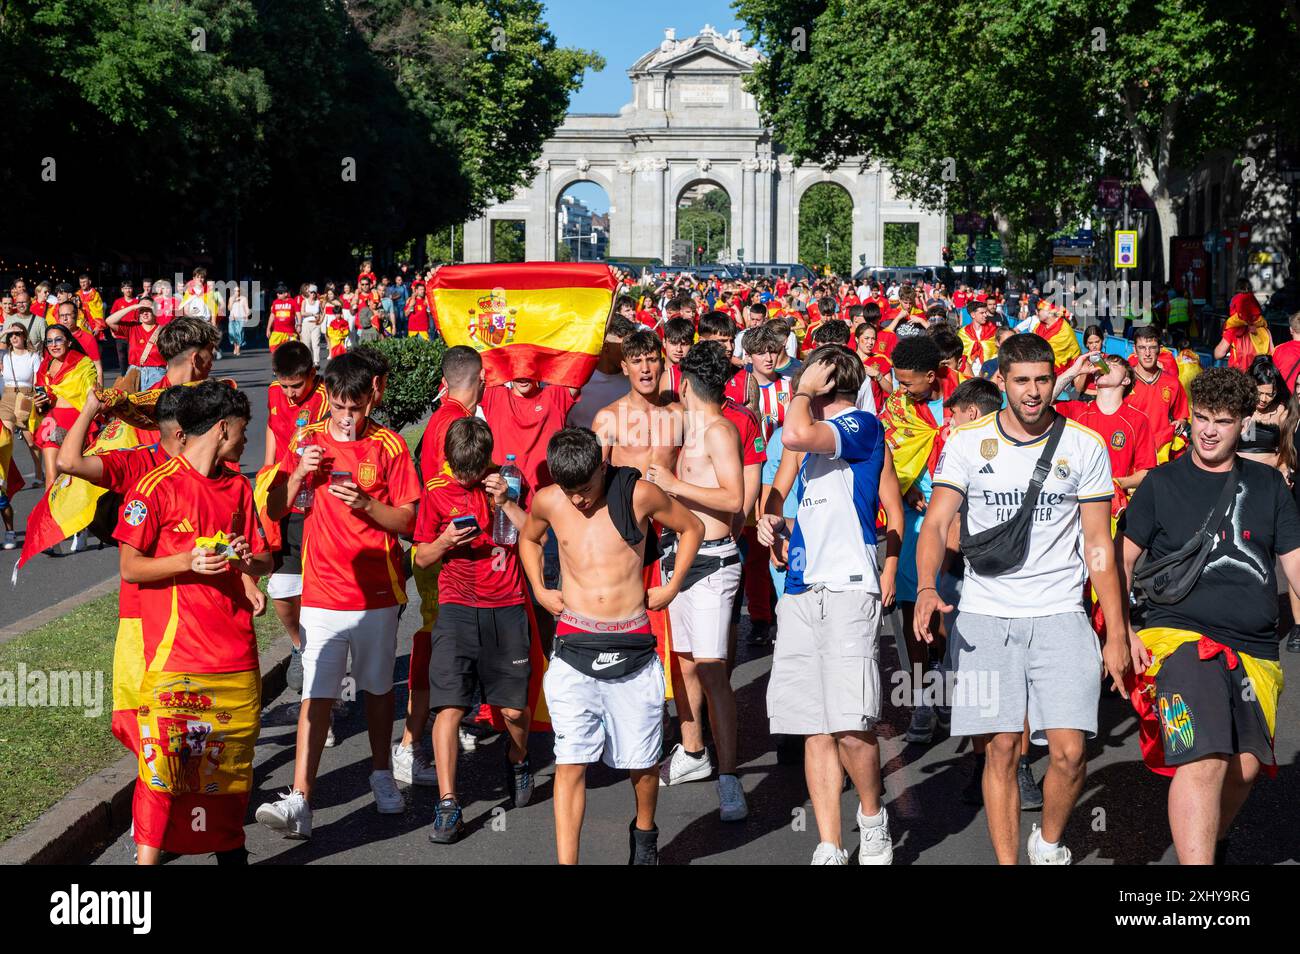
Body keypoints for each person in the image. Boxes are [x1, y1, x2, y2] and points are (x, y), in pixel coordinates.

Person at [915, 333, 1130, 865]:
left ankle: (1049, 842)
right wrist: (924, 587)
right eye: (1022, 381)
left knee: (1071, 752)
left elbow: (1098, 544)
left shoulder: (1084, 444)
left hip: (1061, 612)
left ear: (1053, 378)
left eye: (1041, 380)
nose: (1033, 392)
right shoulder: (968, 441)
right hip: (986, 615)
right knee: (1003, 749)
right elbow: (937, 521)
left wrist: (1118, 630)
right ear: (1004, 382)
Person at [1121, 367, 1300, 864]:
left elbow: (1295, 565)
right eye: (1200, 417)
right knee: (1205, 757)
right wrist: (1122, 630)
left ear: (1242, 423)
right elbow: (1120, 560)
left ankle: (1211, 844)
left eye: (1221, 421)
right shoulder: (1161, 482)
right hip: (1175, 636)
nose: (1207, 430)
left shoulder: (1268, 485)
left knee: (1243, 768)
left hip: (1255, 646)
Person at [519, 427, 704, 864]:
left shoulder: (638, 494)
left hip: (633, 643)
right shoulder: (549, 500)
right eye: (570, 492)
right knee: (570, 761)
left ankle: (644, 834)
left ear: (602, 467)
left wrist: (673, 586)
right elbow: (528, 538)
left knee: (641, 763)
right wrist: (541, 590)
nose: (578, 501)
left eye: (584, 490)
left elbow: (692, 527)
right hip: (574, 644)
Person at [257, 352, 422, 836]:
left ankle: (381, 774)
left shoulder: (389, 445)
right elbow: (274, 506)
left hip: (377, 592)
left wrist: (369, 505)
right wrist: (295, 475)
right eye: (339, 407)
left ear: (371, 398)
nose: (347, 418)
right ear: (325, 396)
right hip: (323, 591)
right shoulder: (306, 439)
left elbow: (410, 522)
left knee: (375, 691)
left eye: (356, 408)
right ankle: (300, 799)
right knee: (317, 693)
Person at [757, 344, 903, 864]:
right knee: (814, 726)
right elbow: (774, 490)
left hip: (847, 589)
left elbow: (797, 432)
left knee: (851, 726)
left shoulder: (862, 425)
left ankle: (872, 816)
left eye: (806, 378)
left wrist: (799, 390)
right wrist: (768, 520)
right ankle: (830, 843)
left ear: (821, 386)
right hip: (800, 592)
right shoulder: (800, 437)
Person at [115, 380, 271, 864]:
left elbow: (264, 560)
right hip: (175, 662)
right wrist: (187, 560)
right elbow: (130, 566)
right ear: (222, 428)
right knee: (162, 773)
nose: (247, 440)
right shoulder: (154, 486)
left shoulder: (238, 486)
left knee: (229, 776)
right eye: (243, 430)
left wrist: (247, 564)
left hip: (236, 660)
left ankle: (231, 854)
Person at [414, 417, 532, 843]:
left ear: (486, 461)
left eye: (472, 471)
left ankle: (518, 758)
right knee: (448, 707)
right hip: (457, 608)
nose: (463, 478)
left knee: (514, 712)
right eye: (457, 470)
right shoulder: (436, 491)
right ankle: (448, 803)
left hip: (508, 607)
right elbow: (422, 559)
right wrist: (445, 541)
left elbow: (535, 535)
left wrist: (508, 504)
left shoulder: (511, 483)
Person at [643, 343, 748, 821]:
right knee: (684, 664)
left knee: (711, 671)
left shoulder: (721, 431)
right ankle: (693, 752)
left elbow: (733, 498)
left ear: (685, 383)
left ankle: (730, 778)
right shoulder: (691, 429)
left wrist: (672, 484)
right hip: (681, 558)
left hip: (712, 564)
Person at [59, 386, 192, 751]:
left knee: (189, 708)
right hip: (143, 609)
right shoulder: (138, 461)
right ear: (181, 429)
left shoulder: (213, 467)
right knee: (138, 713)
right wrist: (88, 410)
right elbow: (69, 463)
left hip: (196, 607)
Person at [262, 341, 330, 705]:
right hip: (283, 494)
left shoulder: (325, 397)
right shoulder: (275, 392)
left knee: (318, 587)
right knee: (282, 588)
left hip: (317, 500)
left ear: (312, 375)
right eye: (285, 385)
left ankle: (326, 666)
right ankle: (299, 644)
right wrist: (269, 468)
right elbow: (273, 428)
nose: (289, 393)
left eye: (296, 386)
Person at [591, 329, 681, 476]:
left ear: (663, 364)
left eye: (652, 360)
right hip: (627, 498)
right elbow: (594, 476)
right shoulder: (607, 418)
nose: (645, 369)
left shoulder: (679, 413)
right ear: (625, 368)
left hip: (669, 498)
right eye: (636, 361)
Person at [417, 345, 485, 479]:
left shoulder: (444, 414)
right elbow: (455, 480)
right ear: (482, 375)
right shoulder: (457, 422)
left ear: (445, 382)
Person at [1127, 326, 1190, 463]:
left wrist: (1180, 423)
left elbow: (1182, 416)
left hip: (1161, 455)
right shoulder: (1123, 380)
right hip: (1130, 452)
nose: (1147, 353)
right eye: (1142, 347)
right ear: (1135, 350)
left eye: (1152, 347)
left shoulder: (1173, 383)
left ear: (1159, 349)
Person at [1, 323, 42, 493]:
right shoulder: (5, 355)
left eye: (18, 333)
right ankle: (4, 478)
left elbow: (37, 381)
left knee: (31, 442)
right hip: (8, 396)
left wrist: (37, 402)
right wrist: (5, 331)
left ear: (25, 336)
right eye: (12, 335)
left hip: (26, 397)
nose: (14, 337)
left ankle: (39, 475)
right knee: (5, 438)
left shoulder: (33, 356)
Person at [106, 296, 167, 390]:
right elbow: (109, 321)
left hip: (157, 374)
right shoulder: (132, 328)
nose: (145, 313)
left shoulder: (165, 331)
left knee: (154, 404)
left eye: (149, 310)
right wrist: (133, 307)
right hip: (134, 374)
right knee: (130, 404)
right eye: (142, 310)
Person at [1215, 279, 1272, 371]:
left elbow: (1219, 354)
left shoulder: (1234, 330)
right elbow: (1271, 352)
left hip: (1240, 376)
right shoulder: (1264, 330)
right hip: (1259, 376)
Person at [957, 297, 998, 376]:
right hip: (967, 373)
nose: (985, 315)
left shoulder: (993, 330)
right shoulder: (963, 333)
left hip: (988, 373)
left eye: (986, 312)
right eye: (982, 313)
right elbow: (960, 354)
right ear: (973, 315)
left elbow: (996, 352)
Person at [108, 279, 139, 374]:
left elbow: (139, 319)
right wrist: (112, 331)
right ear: (122, 290)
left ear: (132, 289)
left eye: (129, 288)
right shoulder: (118, 302)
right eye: (125, 288)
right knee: (121, 358)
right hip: (120, 334)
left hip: (133, 334)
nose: (128, 290)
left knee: (132, 357)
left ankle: (132, 377)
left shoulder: (136, 302)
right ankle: (123, 376)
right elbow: (111, 318)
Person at [267, 283, 299, 352]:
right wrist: (268, 328)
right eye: (277, 293)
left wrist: (299, 325)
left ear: (286, 294)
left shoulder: (293, 302)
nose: (278, 294)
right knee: (273, 347)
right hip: (277, 331)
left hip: (289, 332)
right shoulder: (275, 302)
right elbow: (272, 315)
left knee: (292, 349)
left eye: (280, 293)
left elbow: (298, 314)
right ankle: (278, 361)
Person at [226, 286, 249, 357]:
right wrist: (232, 301)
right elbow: (229, 308)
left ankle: (238, 348)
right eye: (235, 291)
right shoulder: (231, 298)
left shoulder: (244, 298)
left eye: (238, 290)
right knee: (233, 333)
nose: (237, 292)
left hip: (241, 318)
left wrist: (247, 316)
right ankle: (235, 347)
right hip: (232, 318)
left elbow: (246, 308)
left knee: (239, 332)